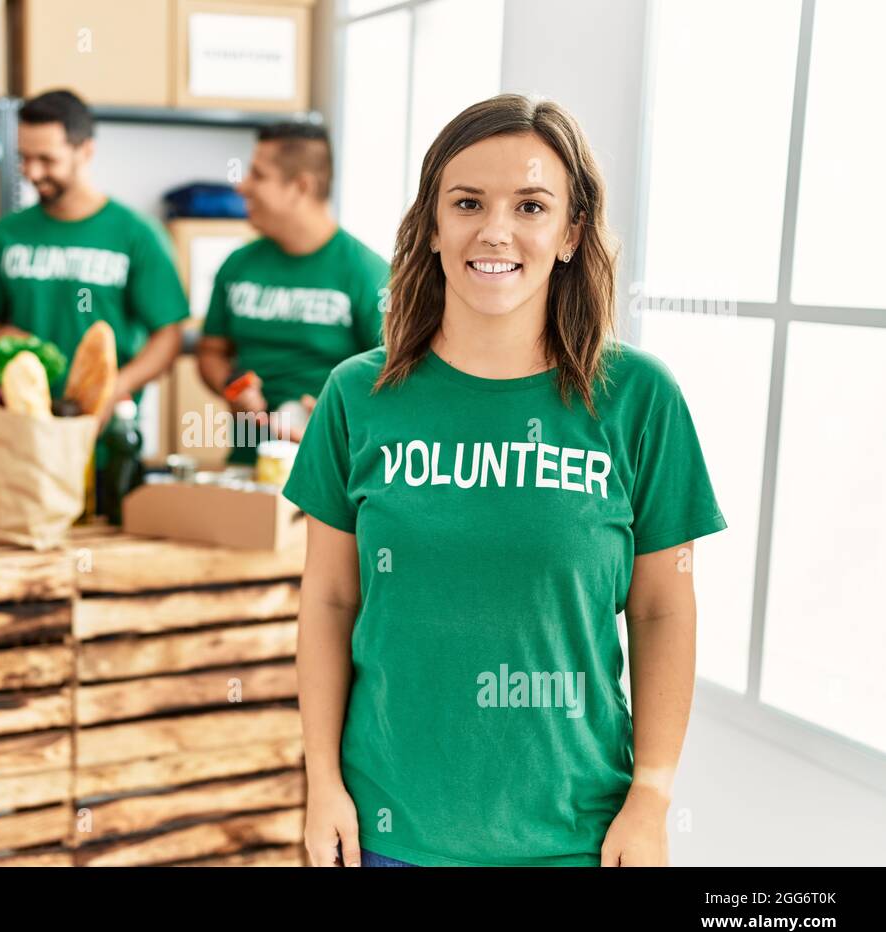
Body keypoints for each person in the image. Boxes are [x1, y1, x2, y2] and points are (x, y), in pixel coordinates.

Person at [283, 93, 728, 868]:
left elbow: (661, 610)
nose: (495, 230)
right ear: (431, 225)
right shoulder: (357, 397)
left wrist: (651, 796)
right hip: (389, 834)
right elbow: (328, 599)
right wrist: (323, 781)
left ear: (569, 233)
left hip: (575, 837)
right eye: (467, 202)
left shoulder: (639, 400)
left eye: (531, 205)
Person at [0, 88, 188, 447]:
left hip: (105, 432)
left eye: (47, 159)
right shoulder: (8, 234)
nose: (32, 172)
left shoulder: (136, 234)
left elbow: (168, 335)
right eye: (24, 158)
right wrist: (1, 340)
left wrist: (118, 386)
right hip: (23, 427)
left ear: (85, 151)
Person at [196, 123, 389, 464]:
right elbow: (212, 351)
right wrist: (232, 385)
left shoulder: (367, 274)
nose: (242, 186)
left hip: (332, 470)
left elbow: (396, 378)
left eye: (258, 175)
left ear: (300, 187)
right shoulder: (238, 264)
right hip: (249, 466)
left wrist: (336, 418)